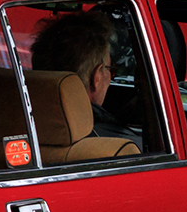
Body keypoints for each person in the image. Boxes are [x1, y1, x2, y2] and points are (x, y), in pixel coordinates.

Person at [28, 11, 137, 141]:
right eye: (111, 69)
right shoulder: (121, 146)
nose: (112, 76)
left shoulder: (13, 126)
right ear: (96, 77)